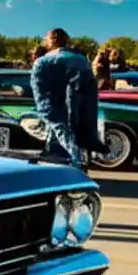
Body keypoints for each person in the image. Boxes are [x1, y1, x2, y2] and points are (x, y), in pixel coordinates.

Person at [31, 28, 104, 170]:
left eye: (46, 38)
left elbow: (39, 90)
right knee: (57, 136)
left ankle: (75, 165)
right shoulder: (81, 60)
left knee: (63, 135)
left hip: (56, 105)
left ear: (53, 38)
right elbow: (90, 87)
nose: (45, 41)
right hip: (78, 105)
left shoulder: (43, 62)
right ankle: (56, 161)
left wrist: (45, 110)